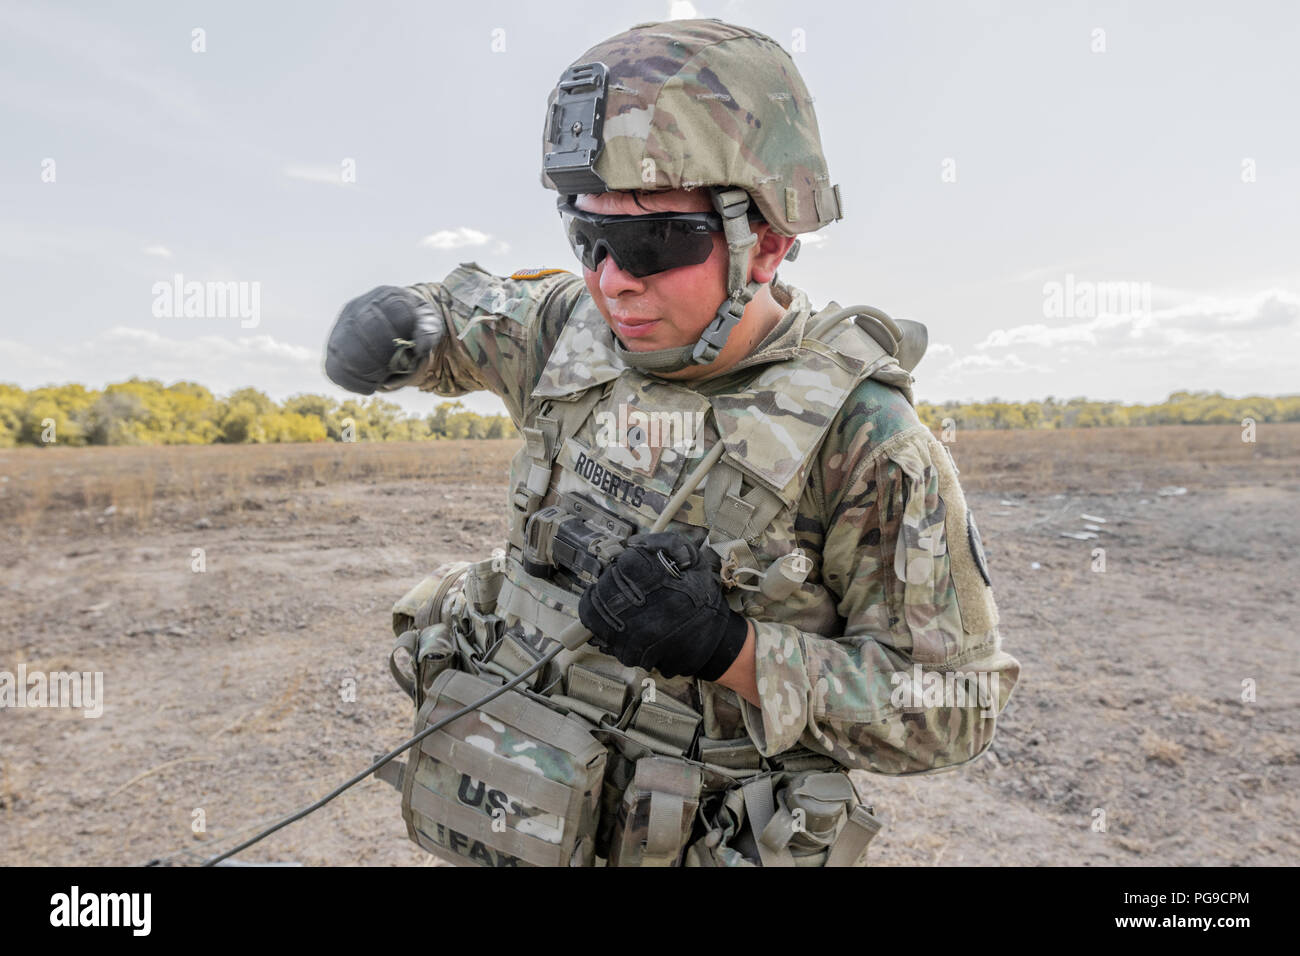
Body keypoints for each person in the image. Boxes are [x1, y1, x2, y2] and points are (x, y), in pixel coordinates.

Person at [324, 18, 1020, 867]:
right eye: (588, 235)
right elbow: (455, 320)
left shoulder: (865, 441)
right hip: (512, 807)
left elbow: (954, 712)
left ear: (765, 240)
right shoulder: (567, 332)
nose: (613, 279)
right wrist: (400, 325)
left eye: (654, 241)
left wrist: (734, 653)